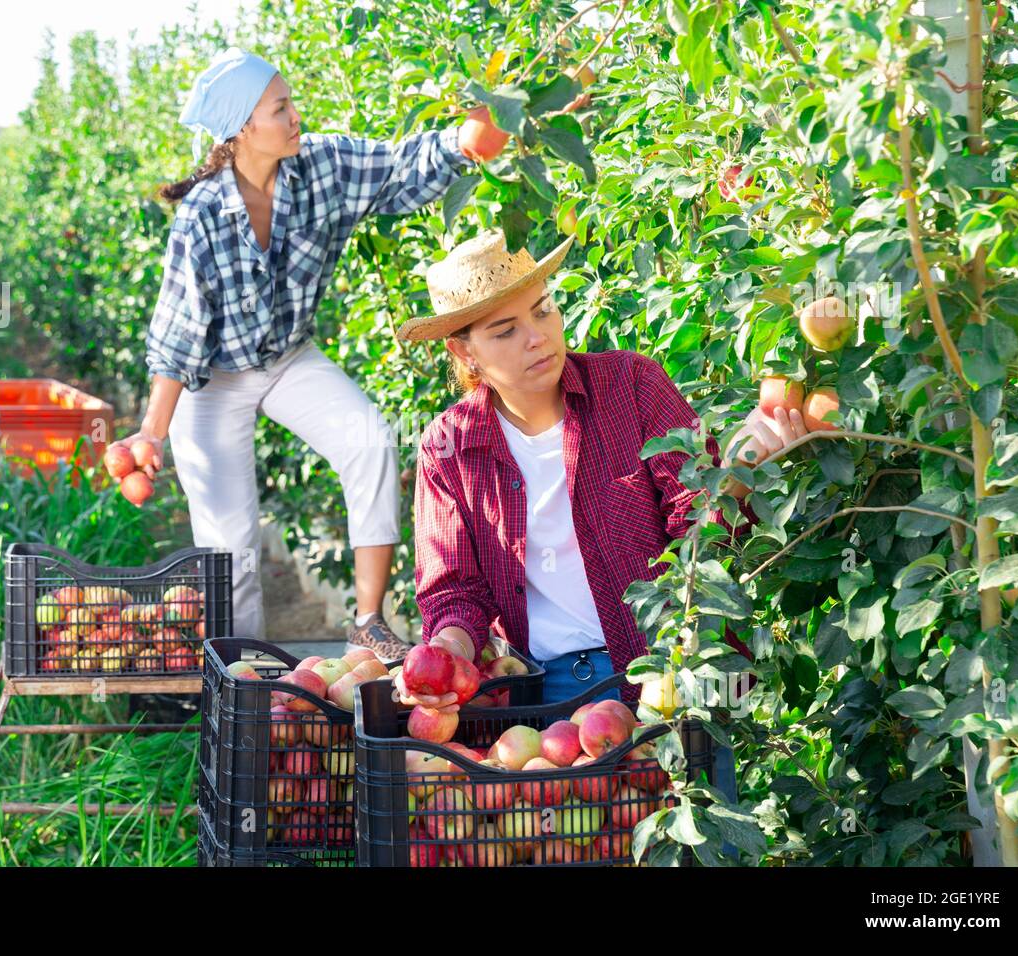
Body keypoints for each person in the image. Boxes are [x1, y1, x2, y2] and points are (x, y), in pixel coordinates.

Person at [109, 48, 507, 657]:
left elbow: (403, 167)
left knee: (370, 439)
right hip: (212, 381)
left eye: (292, 102)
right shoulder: (204, 214)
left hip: (289, 358)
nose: (296, 116)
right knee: (232, 546)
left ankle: (368, 622)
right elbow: (179, 334)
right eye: (281, 108)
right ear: (243, 128)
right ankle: (238, 681)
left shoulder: (321, 164)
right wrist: (151, 434)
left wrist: (470, 136)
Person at [398, 230, 808, 710]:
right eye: (505, 331)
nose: (537, 337)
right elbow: (454, 590)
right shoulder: (450, 447)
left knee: (684, 788)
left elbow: (695, 526)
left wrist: (734, 478)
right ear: (464, 352)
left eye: (543, 309)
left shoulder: (631, 385)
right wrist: (447, 653)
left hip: (670, 671)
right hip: (540, 695)